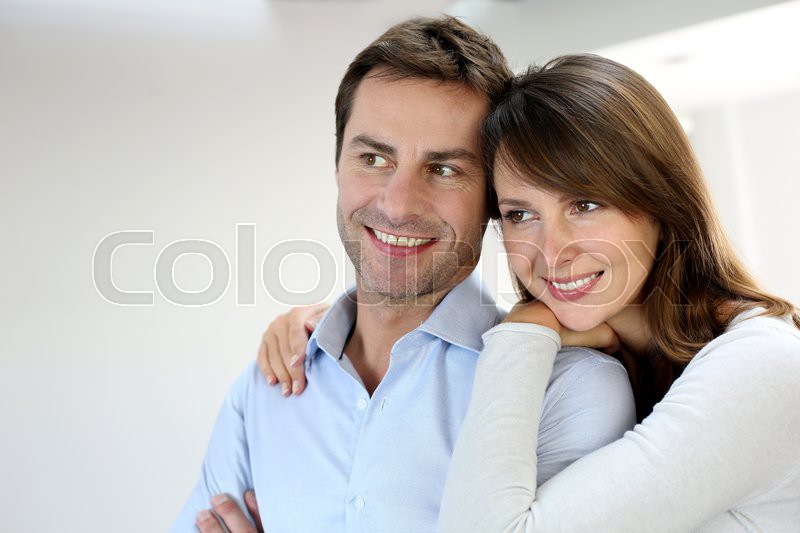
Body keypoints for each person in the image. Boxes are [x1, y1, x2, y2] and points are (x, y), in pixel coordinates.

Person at [173, 19, 636, 533]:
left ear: (492, 201)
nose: (397, 204)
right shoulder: (264, 387)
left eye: (443, 170)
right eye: (373, 158)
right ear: (337, 168)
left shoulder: (569, 390)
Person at [436, 54, 800, 531]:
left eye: (584, 204)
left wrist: (526, 330)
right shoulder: (599, 364)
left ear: (661, 201)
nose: (551, 251)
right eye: (519, 214)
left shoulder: (760, 365)